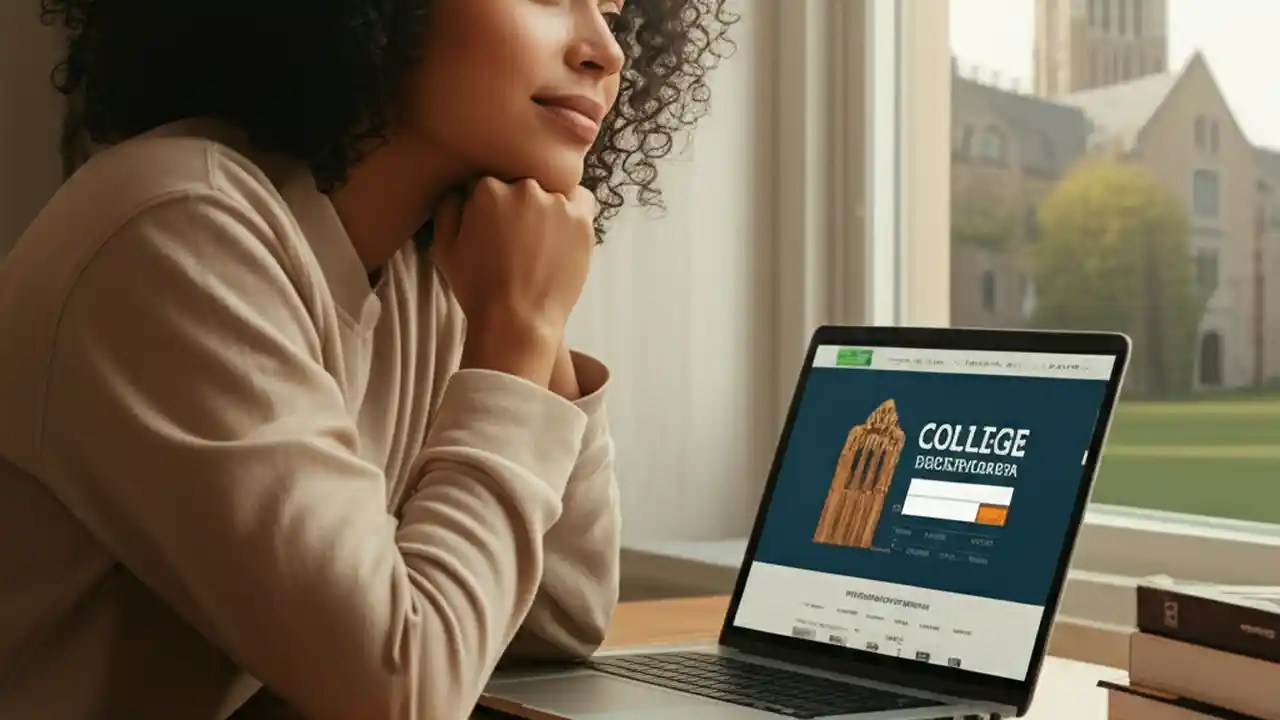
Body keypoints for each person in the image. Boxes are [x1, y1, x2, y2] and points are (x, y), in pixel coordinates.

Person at [0, 0, 737, 717]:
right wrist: (518, 326)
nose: (606, 53)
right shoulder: (178, 229)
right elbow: (402, 694)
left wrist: (529, 323)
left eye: (610, 11)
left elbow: (558, 619)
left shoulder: (433, 273)